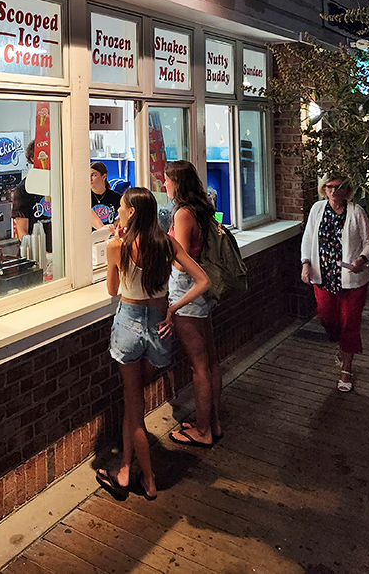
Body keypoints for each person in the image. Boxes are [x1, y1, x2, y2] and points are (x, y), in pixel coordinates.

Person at [96, 187, 210, 501]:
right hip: (160, 325)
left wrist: (114, 249)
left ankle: (147, 480)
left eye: (121, 207)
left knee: (134, 410)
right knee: (136, 403)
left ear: (131, 212)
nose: (117, 211)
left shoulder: (117, 245)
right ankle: (124, 466)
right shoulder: (166, 242)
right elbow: (203, 280)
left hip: (130, 323)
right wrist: (173, 307)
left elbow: (112, 290)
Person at [161, 160, 223, 447]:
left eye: (167, 181)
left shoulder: (184, 214)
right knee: (210, 361)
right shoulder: (201, 208)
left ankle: (202, 430)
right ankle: (212, 422)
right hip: (201, 297)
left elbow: (183, 262)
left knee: (199, 366)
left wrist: (162, 249)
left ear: (177, 183)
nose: (164, 186)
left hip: (187, 295)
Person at [300, 174, 369, 392]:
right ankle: (342, 346)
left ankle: (347, 369)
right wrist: (306, 263)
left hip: (351, 280)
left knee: (350, 323)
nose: (333, 192)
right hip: (323, 277)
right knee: (327, 318)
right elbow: (307, 238)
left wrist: (362, 259)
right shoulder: (317, 209)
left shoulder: (356, 212)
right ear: (323, 189)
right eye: (329, 187)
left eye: (338, 188)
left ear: (347, 190)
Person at [11, 140, 52, 252]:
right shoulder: (23, 189)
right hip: (36, 254)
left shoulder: (59, 183)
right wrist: (39, 253)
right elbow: (22, 231)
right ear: (33, 158)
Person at [90, 161, 121, 231]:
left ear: (104, 176)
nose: (90, 179)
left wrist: (116, 223)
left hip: (109, 235)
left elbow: (125, 212)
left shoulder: (114, 196)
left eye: (93, 175)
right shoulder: (86, 197)